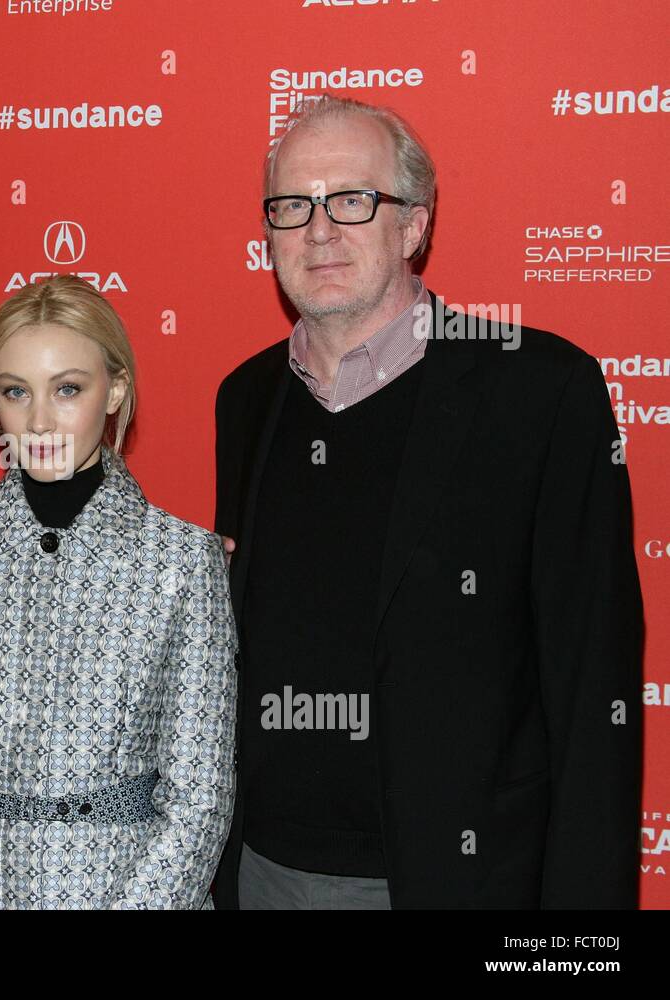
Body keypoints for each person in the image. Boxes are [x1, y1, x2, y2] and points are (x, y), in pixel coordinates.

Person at [212, 95, 643, 909]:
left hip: (463, 878)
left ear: (413, 227)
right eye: (292, 205)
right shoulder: (246, 397)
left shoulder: (540, 392)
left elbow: (594, 687)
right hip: (264, 871)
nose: (318, 230)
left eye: (352, 200)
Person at [0, 275, 238, 908]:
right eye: (16, 392)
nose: (39, 420)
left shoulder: (182, 560)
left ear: (115, 389)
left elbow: (198, 797)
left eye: (68, 389)